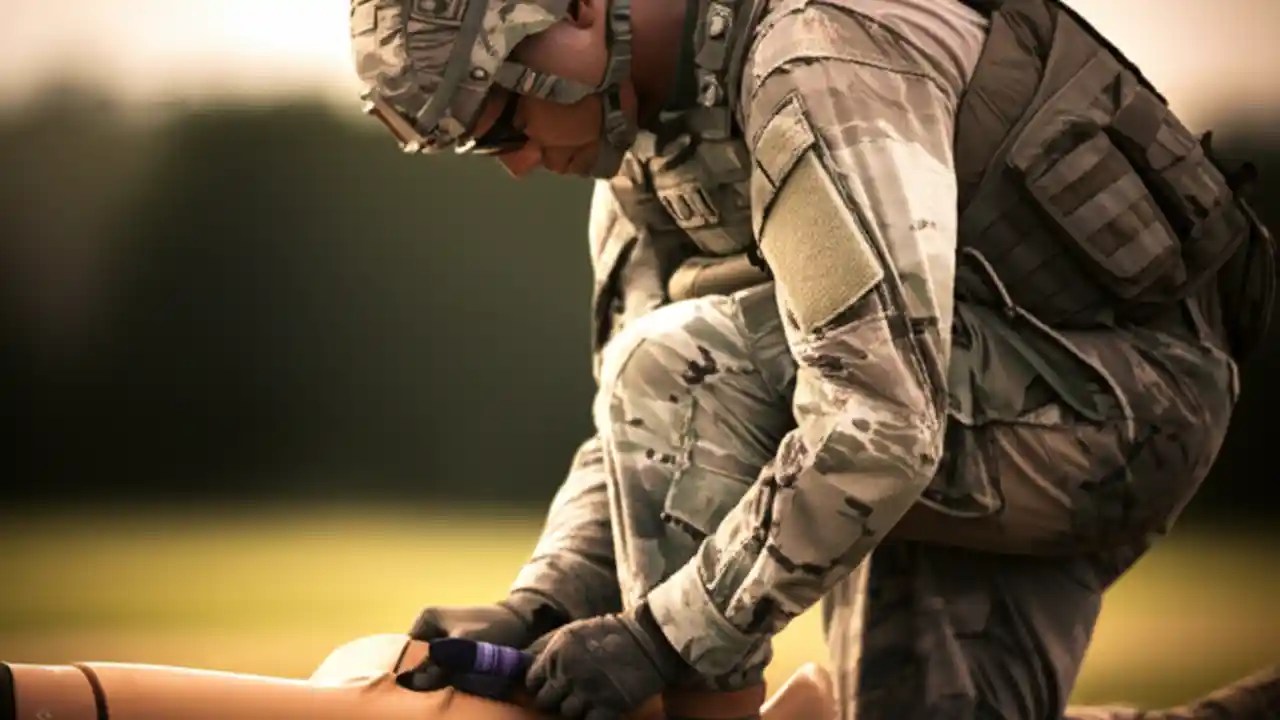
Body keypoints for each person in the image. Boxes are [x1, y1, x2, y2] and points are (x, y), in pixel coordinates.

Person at [349, 0, 1277, 717]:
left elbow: (872, 422)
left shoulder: (818, 57)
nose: (513, 162)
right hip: (961, 415)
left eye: (503, 117)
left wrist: (660, 644)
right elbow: (645, 439)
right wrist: (545, 603)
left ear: (581, 8)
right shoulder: (637, 137)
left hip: (1116, 403)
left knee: (683, 361)